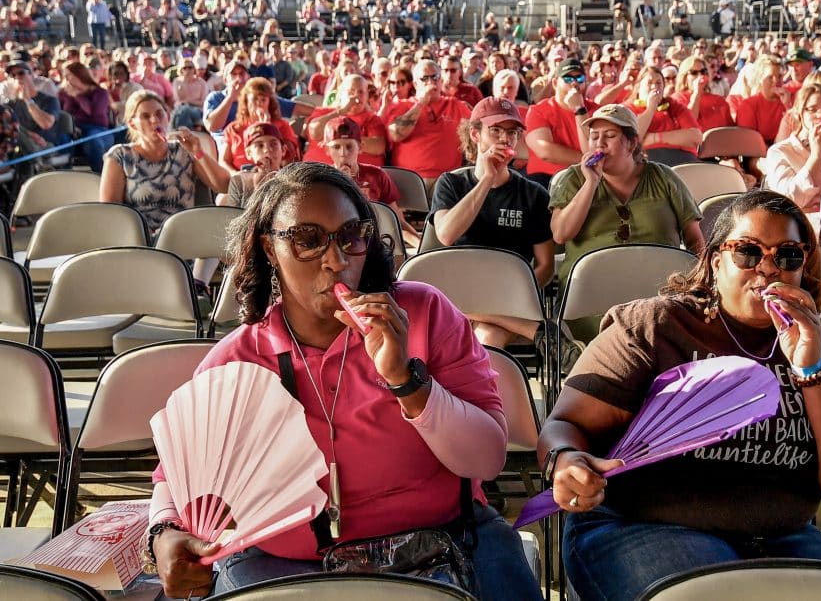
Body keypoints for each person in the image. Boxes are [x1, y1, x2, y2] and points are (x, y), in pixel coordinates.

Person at [147, 162, 542, 600]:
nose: (336, 261)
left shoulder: (425, 315)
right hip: (286, 563)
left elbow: (485, 460)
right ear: (268, 248)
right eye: (308, 240)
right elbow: (176, 473)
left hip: (444, 539)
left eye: (351, 236)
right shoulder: (237, 360)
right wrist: (163, 533)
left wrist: (408, 383)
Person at [539, 189, 821, 601]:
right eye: (749, 252)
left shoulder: (813, 344)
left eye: (788, 255)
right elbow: (566, 424)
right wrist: (566, 460)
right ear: (717, 261)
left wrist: (810, 369)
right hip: (644, 525)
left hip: (780, 536)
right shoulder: (657, 326)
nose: (768, 268)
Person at [549, 104, 704, 335]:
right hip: (592, 300)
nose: (599, 143)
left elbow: (695, 241)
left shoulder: (664, 177)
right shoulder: (573, 179)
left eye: (610, 136)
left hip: (657, 298)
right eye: (594, 137)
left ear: (631, 143)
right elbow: (561, 234)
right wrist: (591, 183)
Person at [430, 97, 555, 350]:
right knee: (476, 335)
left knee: (487, 338)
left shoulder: (533, 194)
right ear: (475, 135)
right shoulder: (451, 183)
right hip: (458, 289)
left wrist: (511, 295)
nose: (504, 138)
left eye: (512, 132)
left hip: (509, 294)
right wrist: (487, 179)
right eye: (495, 130)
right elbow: (446, 234)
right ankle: (538, 333)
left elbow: (546, 265)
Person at [99, 91, 229, 234]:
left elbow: (224, 186)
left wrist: (198, 152)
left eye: (159, 114)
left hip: (184, 236)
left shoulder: (184, 150)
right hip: (140, 240)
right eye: (145, 116)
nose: (154, 120)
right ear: (132, 124)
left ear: (167, 116)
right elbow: (110, 212)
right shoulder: (120, 156)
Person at [321, 115, 420, 246]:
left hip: (376, 241)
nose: (343, 153)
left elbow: (396, 221)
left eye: (349, 146)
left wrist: (419, 244)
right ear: (326, 150)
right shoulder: (323, 180)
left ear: (360, 147)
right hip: (338, 244)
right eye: (336, 147)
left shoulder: (377, 175)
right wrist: (342, 183)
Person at [383, 60, 471, 192]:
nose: (431, 82)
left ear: (441, 80)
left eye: (435, 77)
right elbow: (396, 134)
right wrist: (422, 102)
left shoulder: (456, 105)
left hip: (447, 179)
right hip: (411, 180)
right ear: (415, 84)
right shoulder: (402, 105)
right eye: (424, 78)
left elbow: (478, 130)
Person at [763, 84, 821, 214]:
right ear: (799, 113)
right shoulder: (779, 152)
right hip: (808, 225)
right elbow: (788, 200)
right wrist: (816, 157)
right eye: (813, 109)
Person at [524, 59, 596, 189]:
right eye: (568, 79)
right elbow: (546, 152)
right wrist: (590, 160)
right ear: (555, 83)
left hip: (586, 177)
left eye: (579, 78)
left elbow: (594, 148)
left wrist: (579, 109)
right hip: (545, 178)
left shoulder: (596, 110)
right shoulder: (538, 110)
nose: (574, 83)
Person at [219, 78, 300, 173]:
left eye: (263, 100)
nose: (259, 104)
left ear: (269, 102)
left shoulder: (282, 125)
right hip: (241, 177)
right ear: (246, 103)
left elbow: (289, 160)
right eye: (254, 99)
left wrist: (268, 127)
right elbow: (223, 161)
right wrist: (234, 174)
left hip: (273, 177)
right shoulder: (233, 128)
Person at [303, 73, 386, 166]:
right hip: (318, 171)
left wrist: (337, 140)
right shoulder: (323, 112)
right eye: (351, 92)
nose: (356, 96)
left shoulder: (372, 118)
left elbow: (379, 147)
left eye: (361, 92)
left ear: (366, 96)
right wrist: (342, 111)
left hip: (357, 176)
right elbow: (314, 132)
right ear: (341, 94)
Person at [627, 67, 702, 165]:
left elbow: (696, 137)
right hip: (648, 160)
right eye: (649, 83)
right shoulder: (628, 108)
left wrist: (654, 138)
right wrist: (651, 109)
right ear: (638, 87)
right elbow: (632, 140)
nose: (654, 87)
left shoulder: (674, 106)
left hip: (684, 159)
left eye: (658, 83)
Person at [58, 60, 113, 172]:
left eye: (70, 76)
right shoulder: (64, 93)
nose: (67, 79)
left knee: (92, 140)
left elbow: (97, 116)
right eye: (66, 76)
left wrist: (78, 96)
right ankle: (63, 174)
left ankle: (100, 176)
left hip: (98, 130)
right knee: (62, 138)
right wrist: (70, 97)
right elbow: (64, 114)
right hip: (73, 130)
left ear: (80, 75)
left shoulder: (100, 93)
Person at [217, 122, 285, 208]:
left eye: (273, 144)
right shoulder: (239, 182)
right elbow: (233, 217)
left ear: (283, 150)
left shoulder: (292, 180)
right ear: (248, 153)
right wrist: (258, 188)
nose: (267, 150)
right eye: (260, 145)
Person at [735, 55, 788, 145]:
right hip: (759, 153)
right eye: (770, 77)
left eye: (779, 76)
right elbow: (748, 141)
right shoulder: (749, 105)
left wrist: (788, 106)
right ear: (760, 79)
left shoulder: (788, 99)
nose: (776, 81)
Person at [672, 55, 734, 131]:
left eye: (703, 71)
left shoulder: (719, 101)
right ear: (684, 77)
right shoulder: (676, 99)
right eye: (694, 73)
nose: (700, 76)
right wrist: (697, 94)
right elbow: (687, 124)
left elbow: (731, 130)